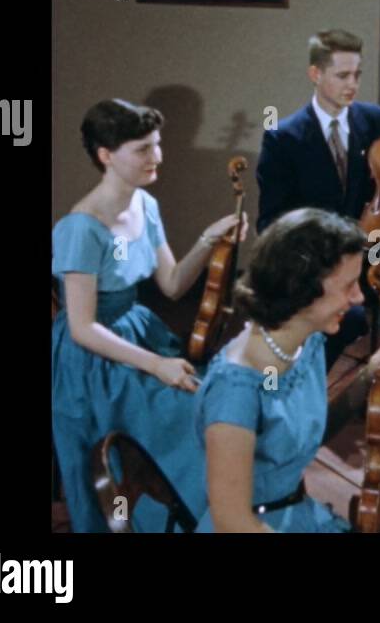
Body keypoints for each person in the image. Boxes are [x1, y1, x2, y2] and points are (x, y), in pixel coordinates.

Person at [256, 29, 380, 467]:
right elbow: (269, 223)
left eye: (358, 75)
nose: (352, 84)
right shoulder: (283, 138)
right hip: (323, 267)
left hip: (378, 256)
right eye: (342, 74)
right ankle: (296, 416)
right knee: (331, 320)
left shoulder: (378, 121)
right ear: (315, 73)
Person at [52, 98, 248, 531]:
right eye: (142, 149)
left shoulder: (145, 204)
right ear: (106, 156)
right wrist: (156, 365)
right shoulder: (80, 228)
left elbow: (174, 283)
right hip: (93, 361)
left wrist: (208, 240)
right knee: (180, 419)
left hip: (137, 333)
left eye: (156, 144)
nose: (156, 156)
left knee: (209, 407)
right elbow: (83, 328)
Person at [194, 208, 380, 532]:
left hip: (296, 512)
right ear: (303, 288)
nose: (358, 298)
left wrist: (368, 378)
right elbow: (233, 523)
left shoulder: (306, 343)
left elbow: (298, 435)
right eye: (349, 285)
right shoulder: (236, 393)